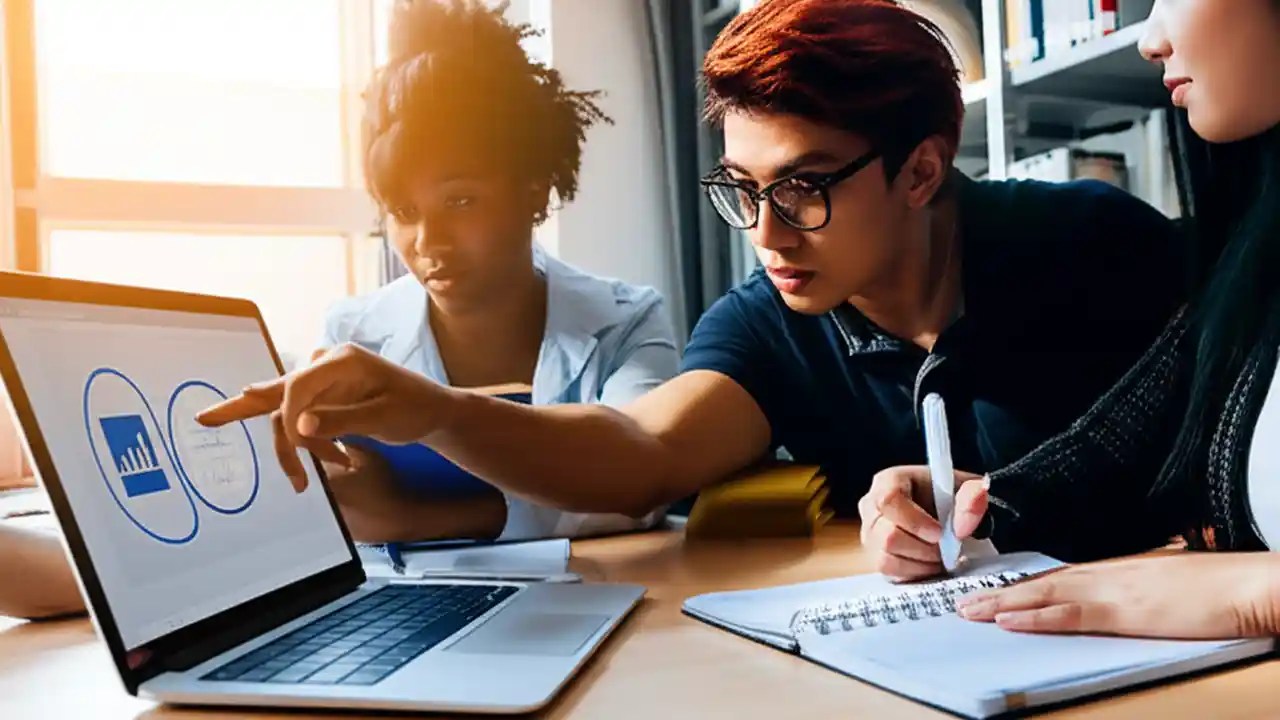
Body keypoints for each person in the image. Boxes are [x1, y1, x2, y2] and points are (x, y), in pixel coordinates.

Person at [196, 0, 1186, 537]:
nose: (766, 234)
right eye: (742, 190)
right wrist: (441, 413)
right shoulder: (769, 321)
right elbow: (638, 454)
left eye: (802, 187)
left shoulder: (1092, 247)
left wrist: (1035, 503)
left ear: (921, 169)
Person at [0, 0, 677, 619]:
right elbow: (315, 521)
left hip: (602, 612)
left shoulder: (625, 321)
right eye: (405, 213)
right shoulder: (351, 334)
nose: (428, 241)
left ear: (534, 189)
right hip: (408, 618)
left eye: (461, 200)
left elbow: (642, 487)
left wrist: (414, 515)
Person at [859, 0, 1280, 640]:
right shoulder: (1250, 263)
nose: (1150, 39)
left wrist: (1258, 591)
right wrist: (986, 502)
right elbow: (1126, 444)